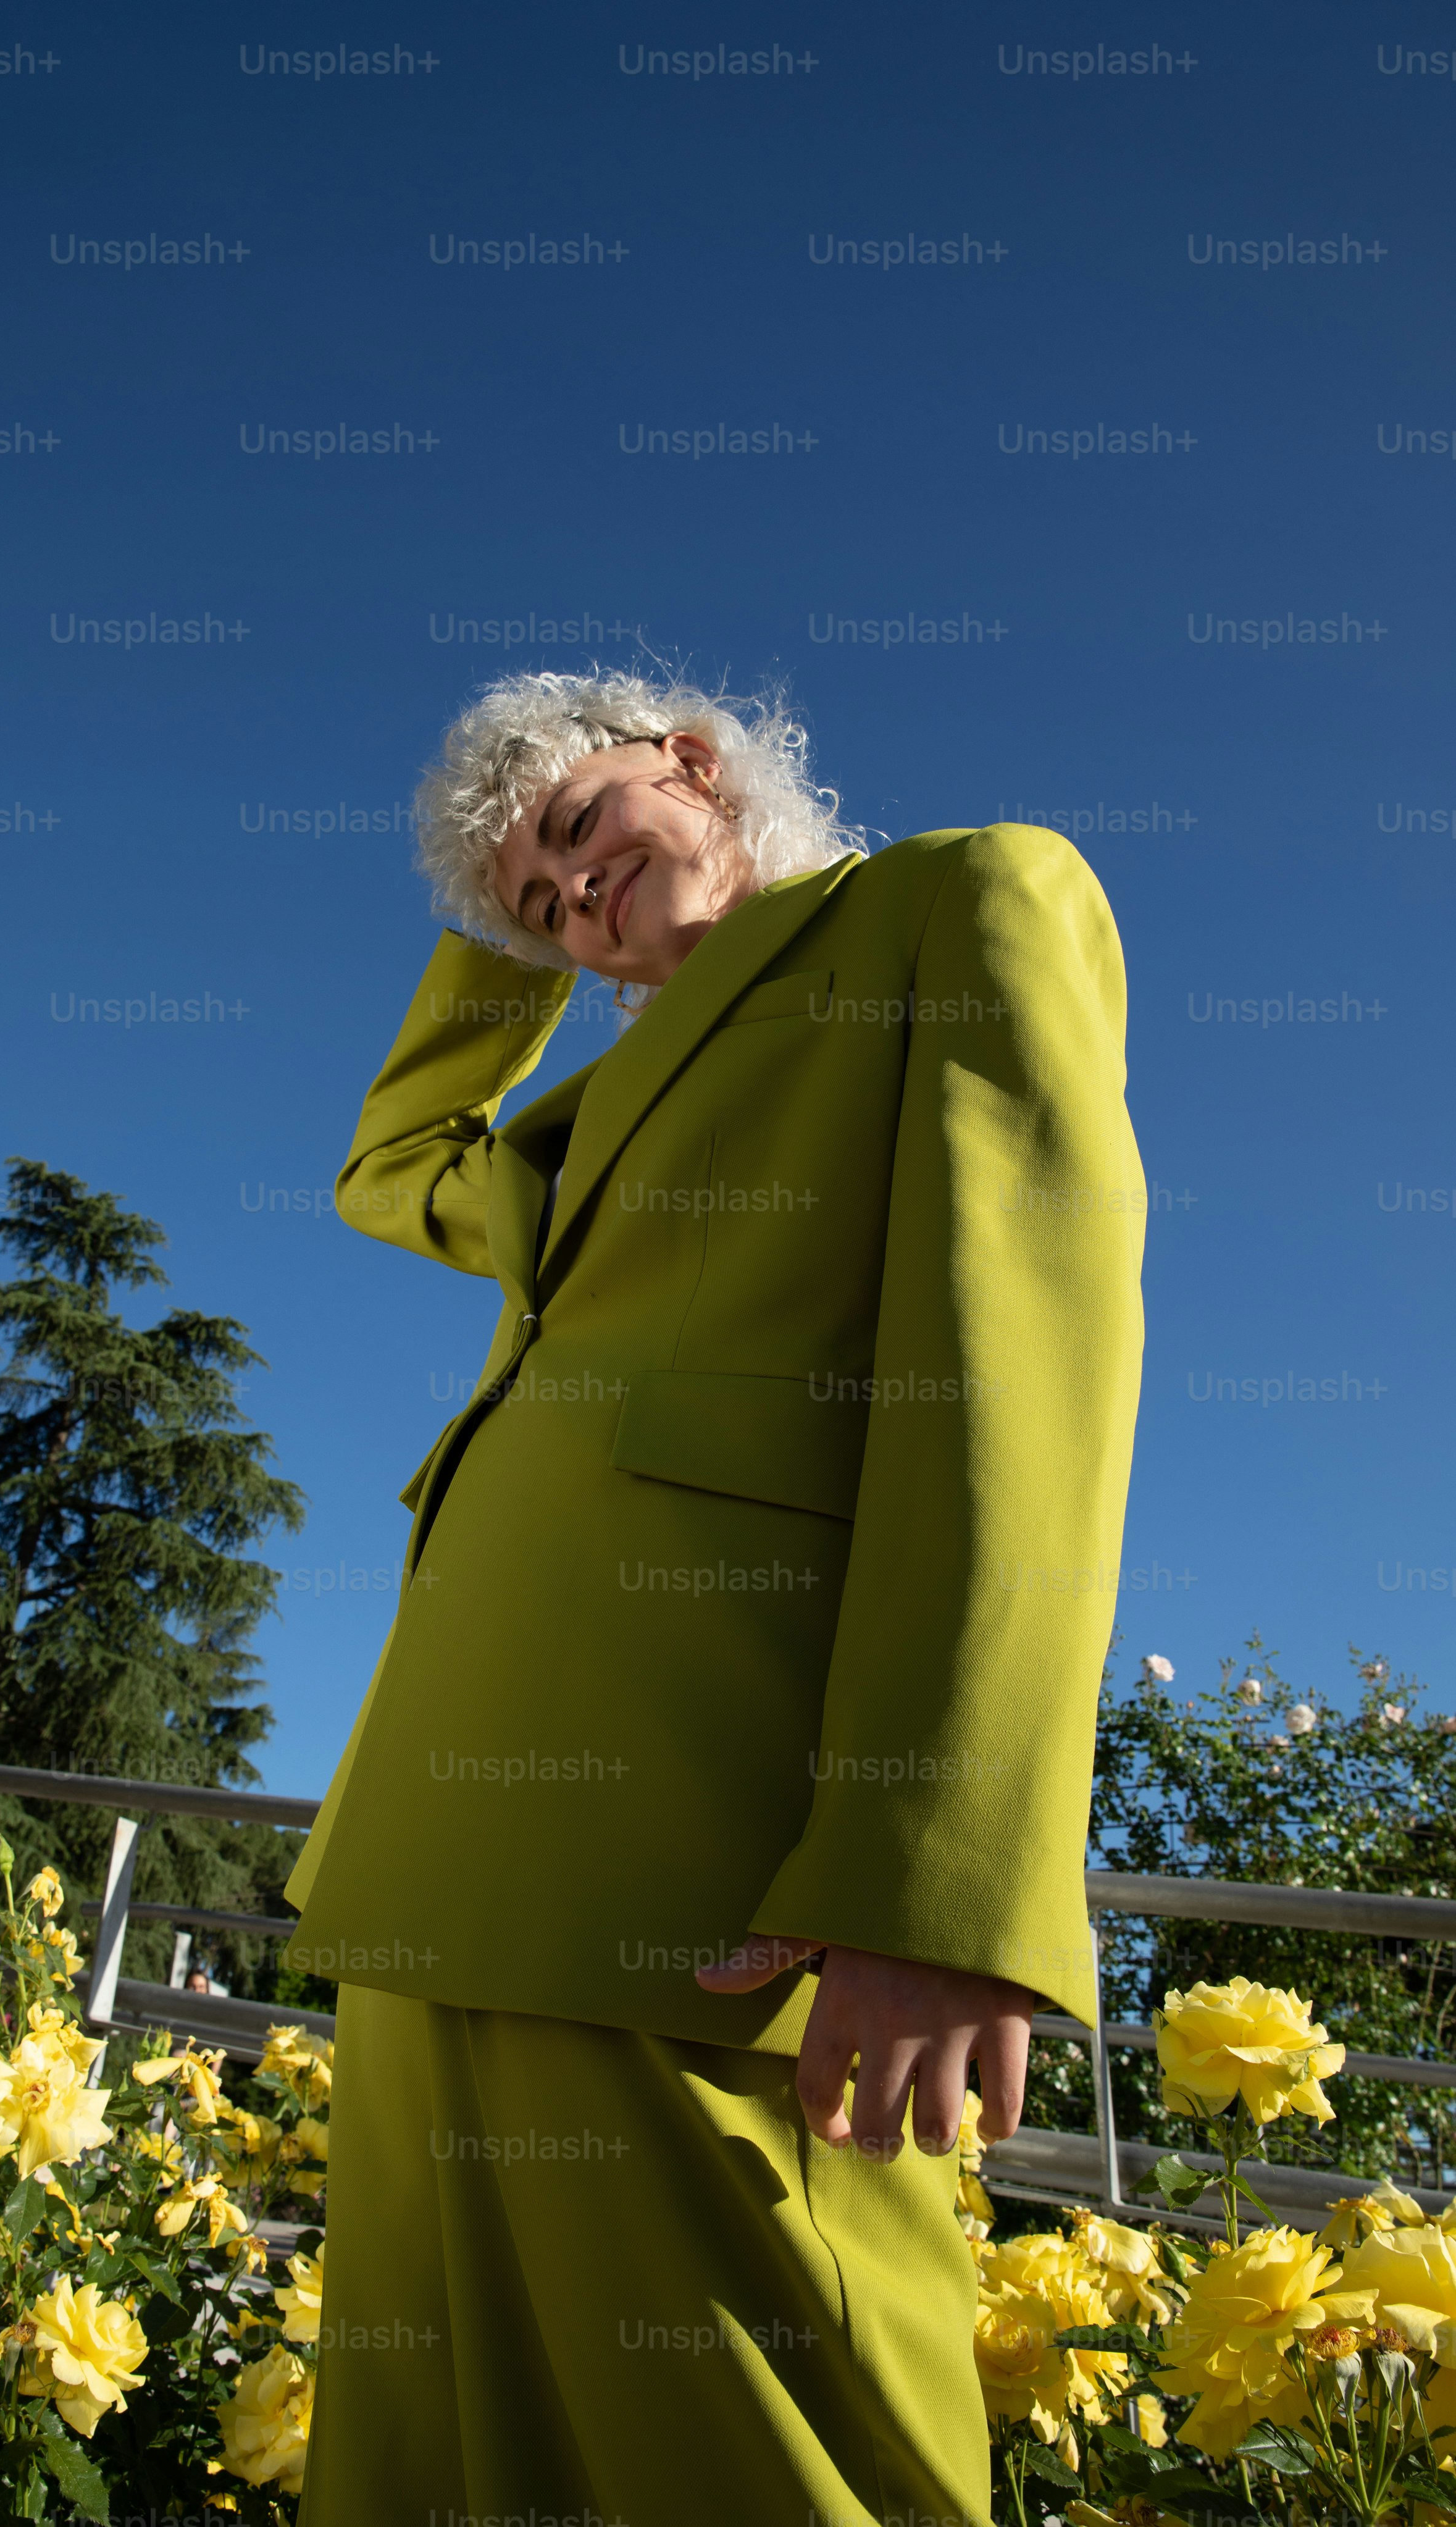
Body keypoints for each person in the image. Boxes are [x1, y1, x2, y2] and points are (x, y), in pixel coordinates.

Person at [283, 671, 1145, 2525]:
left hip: (708, 1873)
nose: (573, 898)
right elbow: (386, 1170)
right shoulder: (561, 1127)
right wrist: (504, 942)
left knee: (774, 2466)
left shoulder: (952, 899)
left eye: (581, 827)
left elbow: (1026, 1374)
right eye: (536, 901)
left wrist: (943, 1874)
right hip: (430, 1864)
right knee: (428, 2473)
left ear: (693, 755)